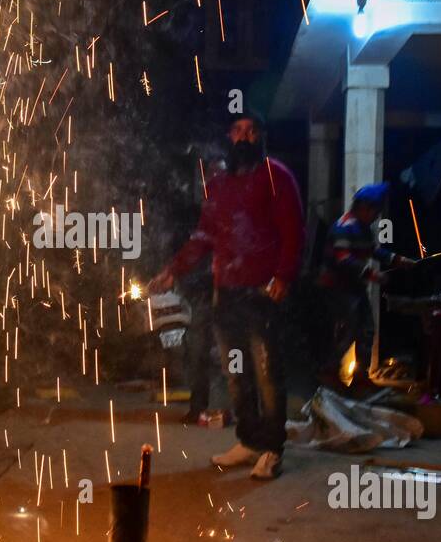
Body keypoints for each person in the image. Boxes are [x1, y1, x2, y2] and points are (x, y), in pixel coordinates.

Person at [149, 114, 304, 480]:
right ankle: (248, 441)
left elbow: (293, 230)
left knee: (267, 372)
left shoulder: (276, 176)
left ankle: (272, 448)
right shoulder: (218, 185)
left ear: (261, 137)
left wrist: (284, 275)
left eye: (251, 131)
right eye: (237, 130)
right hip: (227, 293)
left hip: (262, 291)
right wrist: (174, 269)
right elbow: (204, 236)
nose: (244, 137)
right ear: (229, 137)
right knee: (236, 371)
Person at [318, 183, 414, 387]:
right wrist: (373, 275)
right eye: (375, 211)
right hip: (337, 287)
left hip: (354, 286)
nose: (376, 216)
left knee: (367, 330)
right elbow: (343, 260)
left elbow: (373, 250)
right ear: (363, 207)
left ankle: (360, 378)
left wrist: (397, 259)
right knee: (349, 331)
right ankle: (329, 373)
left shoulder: (363, 228)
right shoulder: (344, 227)